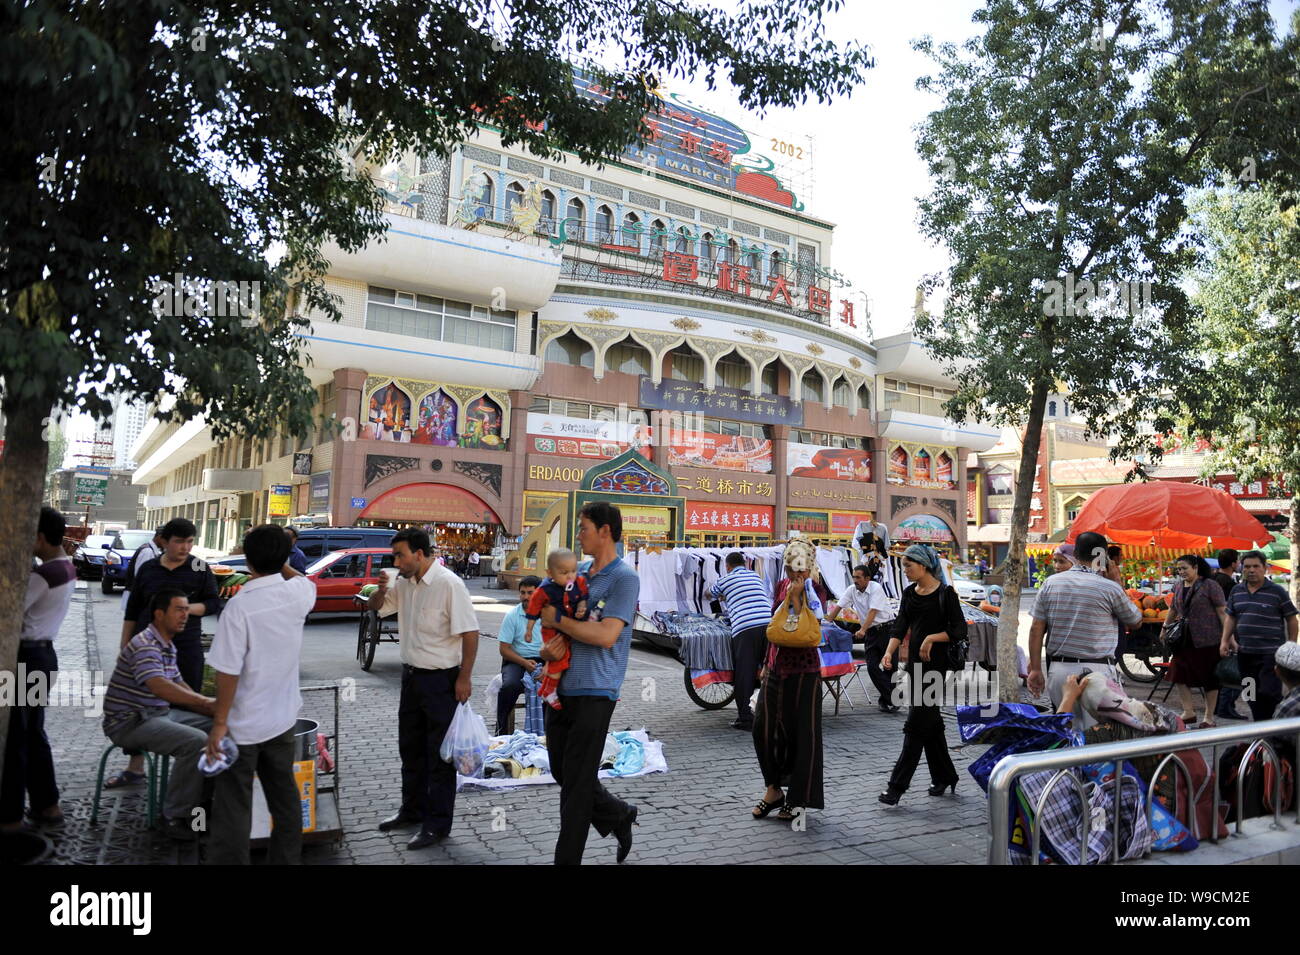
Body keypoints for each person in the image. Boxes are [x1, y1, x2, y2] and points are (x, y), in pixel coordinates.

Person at [205, 525, 315, 865]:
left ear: (247, 559)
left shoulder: (240, 607)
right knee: (284, 799)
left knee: (233, 806)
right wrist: (280, 560)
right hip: (282, 721)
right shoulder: (298, 592)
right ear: (285, 557)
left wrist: (219, 724)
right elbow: (303, 580)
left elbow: (227, 672)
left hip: (243, 726)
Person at [537, 502, 640, 865]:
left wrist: (560, 623)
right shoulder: (575, 573)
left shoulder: (624, 578)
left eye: (583, 528)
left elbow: (606, 635)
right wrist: (547, 649)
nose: (578, 534)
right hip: (560, 687)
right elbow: (550, 622)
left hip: (597, 690)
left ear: (605, 531)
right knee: (564, 772)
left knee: (577, 789)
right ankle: (618, 815)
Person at [370, 527, 478, 849]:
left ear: (419, 553)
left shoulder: (449, 585)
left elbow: (470, 634)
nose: (396, 561)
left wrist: (464, 678)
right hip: (411, 678)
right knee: (411, 748)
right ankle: (411, 810)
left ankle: (437, 824)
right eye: (394, 556)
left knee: (439, 756)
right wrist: (379, 589)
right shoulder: (403, 583)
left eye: (400, 555)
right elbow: (377, 607)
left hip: (442, 681)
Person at [111, 518, 222, 788]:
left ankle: (187, 769)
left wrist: (184, 610)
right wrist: (124, 644)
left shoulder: (199, 567)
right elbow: (133, 608)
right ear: (164, 541)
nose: (185, 547)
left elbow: (212, 603)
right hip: (148, 643)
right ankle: (136, 768)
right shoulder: (149, 568)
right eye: (179, 541)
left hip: (186, 646)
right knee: (143, 703)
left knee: (188, 702)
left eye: (190, 542)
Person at [101, 590, 217, 840]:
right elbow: (159, 686)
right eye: (179, 609)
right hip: (130, 723)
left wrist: (213, 708)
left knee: (215, 728)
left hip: (156, 714)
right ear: (159, 614)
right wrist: (206, 701)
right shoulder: (145, 644)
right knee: (197, 742)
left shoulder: (166, 644)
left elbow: (180, 686)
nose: (185, 615)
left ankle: (202, 802)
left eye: (187, 609)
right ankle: (173, 815)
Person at [1, 507, 77, 833]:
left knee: (16, 738)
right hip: (42, 659)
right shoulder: (66, 568)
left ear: (40, 537)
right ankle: (48, 805)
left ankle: (11, 816)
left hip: (26, 661)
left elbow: (8, 611)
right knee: (33, 734)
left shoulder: (43, 576)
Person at [1027, 531, 1142, 728]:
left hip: (1059, 671)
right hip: (1097, 672)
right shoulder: (1109, 588)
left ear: (1076, 554)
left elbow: (1036, 628)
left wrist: (1036, 668)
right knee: (1096, 737)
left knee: (1066, 731)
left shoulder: (1050, 584)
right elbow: (1135, 620)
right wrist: (1117, 582)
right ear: (1102, 556)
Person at [878, 544, 965, 804]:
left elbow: (960, 629)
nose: (904, 570)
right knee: (931, 725)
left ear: (923, 565)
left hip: (937, 667)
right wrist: (888, 652)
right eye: (903, 565)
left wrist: (931, 638)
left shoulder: (946, 593)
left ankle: (896, 787)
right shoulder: (909, 593)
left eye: (908, 565)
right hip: (915, 666)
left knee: (915, 727)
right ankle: (945, 776)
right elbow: (900, 625)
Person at [751, 539, 825, 822]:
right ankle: (773, 789)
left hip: (804, 672)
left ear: (809, 568)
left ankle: (798, 798)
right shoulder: (781, 586)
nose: (796, 575)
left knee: (802, 735)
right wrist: (764, 663)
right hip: (775, 668)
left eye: (801, 569)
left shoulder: (816, 590)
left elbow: (813, 628)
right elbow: (775, 624)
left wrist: (797, 598)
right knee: (763, 729)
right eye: (792, 568)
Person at [1221, 550, 1298, 722]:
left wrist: (1291, 644)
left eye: (1256, 566)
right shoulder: (1236, 590)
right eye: (1247, 566)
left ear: (1265, 568)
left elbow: (1292, 618)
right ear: (1242, 569)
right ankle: (1260, 725)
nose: (1251, 570)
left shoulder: (1277, 591)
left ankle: (1274, 726)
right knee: (1250, 694)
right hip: (1245, 654)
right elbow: (1230, 617)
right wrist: (1225, 640)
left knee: (1269, 692)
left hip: (1270, 655)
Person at [709, 551, 772, 730]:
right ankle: (771, 711)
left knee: (744, 673)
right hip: (769, 624)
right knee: (769, 669)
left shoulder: (725, 579)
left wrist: (721, 595)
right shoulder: (755, 576)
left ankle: (745, 719)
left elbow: (710, 594)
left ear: (728, 566)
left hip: (746, 628)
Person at [1165, 554, 1227, 727]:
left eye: (1185, 568)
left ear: (1196, 567)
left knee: (1210, 678)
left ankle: (1208, 717)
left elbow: (1222, 611)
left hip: (1208, 638)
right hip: (1183, 638)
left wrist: (1228, 637)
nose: (1182, 572)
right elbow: (1172, 609)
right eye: (1179, 569)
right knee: (1177, 673)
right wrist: (1165, 628)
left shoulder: (1210, 585)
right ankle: (1189, 711)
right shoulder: (1178, 586)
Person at [829, 559, 898, 712]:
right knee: (872, 667)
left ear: (867, 578)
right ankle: (892, 698)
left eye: (858, 577)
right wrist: (826, 622)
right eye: (854, 577)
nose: (855, 580)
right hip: (872, 633)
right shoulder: (851, 589)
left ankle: (886, 700)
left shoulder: (876, 588)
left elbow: (873, 611)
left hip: (887, 630)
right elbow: (838, 607)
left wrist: (862, 630)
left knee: (890, 667)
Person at [527, 549, 590, 709]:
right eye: (564, 573)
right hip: (551, 630)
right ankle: (550, 691)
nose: (570, 576)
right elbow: (533, 610)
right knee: (561, 656)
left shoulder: (578, 582)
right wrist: (529, 630)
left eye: (573, 571)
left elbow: (583, 597)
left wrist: (582, 606)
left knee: (559, 658)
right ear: (550, 573)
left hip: (567, 628)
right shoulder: (544, 590)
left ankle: (545, 688)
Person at [495, 575, 543, 735]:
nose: (526, 597)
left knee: (561, 686)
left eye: (530, 593)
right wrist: (523, 662)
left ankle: (549, 732)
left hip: (545, 660)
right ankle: (501, 730)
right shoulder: (512, 616)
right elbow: (504, 649)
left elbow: (559, 645)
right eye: (523, 593)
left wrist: (549, 667)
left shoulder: (550, 615)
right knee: (510, 686)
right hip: (516, 660)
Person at [1212, 549, 1242, 721]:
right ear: (1233, 564)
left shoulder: (1212, 579)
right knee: (1235, 669)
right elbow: (1229, 612)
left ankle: (1219, 705)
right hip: (1227, 632)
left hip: (1213, 632)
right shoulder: (1230, 585)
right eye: (1237, 561)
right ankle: (1226, 706)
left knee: (1222, 669)